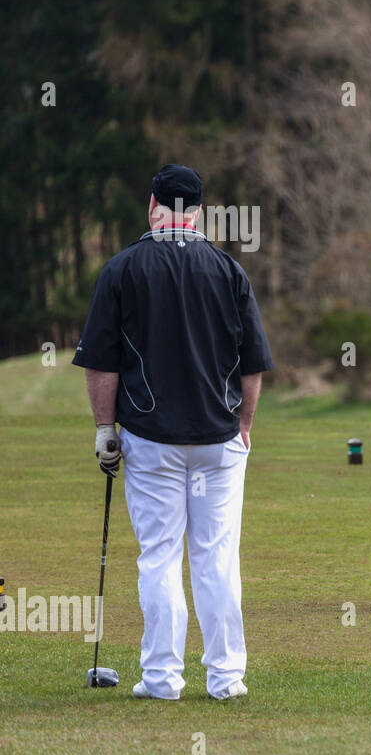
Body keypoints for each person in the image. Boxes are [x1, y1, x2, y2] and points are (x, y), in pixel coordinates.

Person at [73, 164, 273, 699]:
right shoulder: (229, 271)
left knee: (160, 556)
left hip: (151, 440)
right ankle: (226, 679)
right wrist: (245, 425)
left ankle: (162, 679)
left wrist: (103, 428)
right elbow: (252, 362)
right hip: (219, 441)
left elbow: (102, 364)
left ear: (153, 204)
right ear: (200, 212)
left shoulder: (122, 269)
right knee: (216, 557)